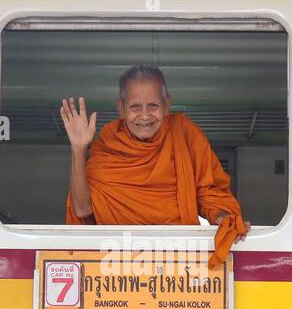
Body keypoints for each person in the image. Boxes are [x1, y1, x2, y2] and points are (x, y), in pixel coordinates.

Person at [62, 65, 250, 267]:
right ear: (121, 108)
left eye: (153, 105)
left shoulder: (183, 134)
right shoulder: (108, 147)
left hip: (177, 260)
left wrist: (222, 217)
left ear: (166, 105)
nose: (145, 115)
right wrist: (79, 149)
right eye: (135, 107)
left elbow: (209, 191)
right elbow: (82, 210)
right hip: (117, 263)